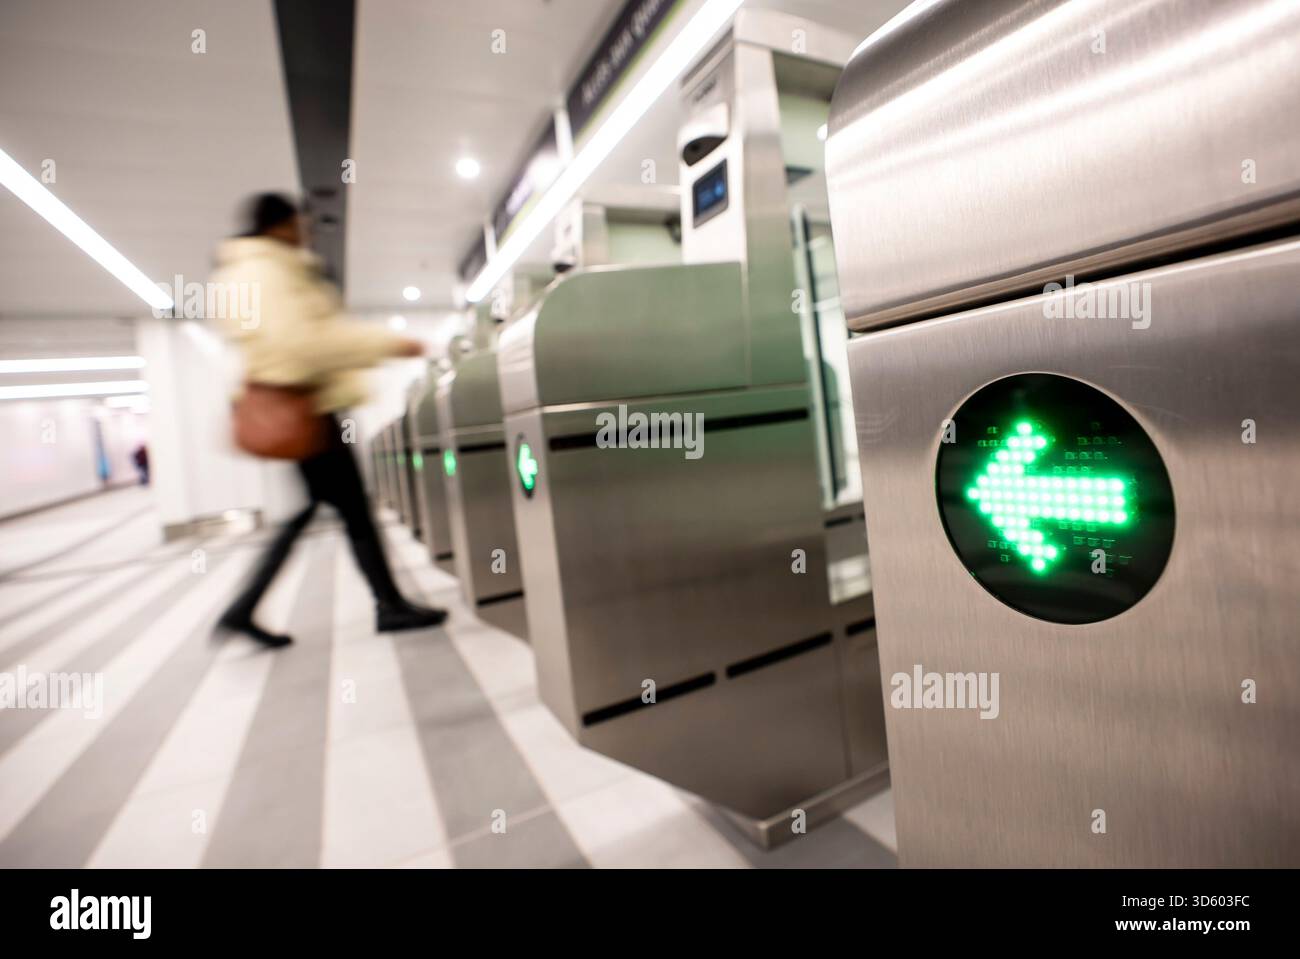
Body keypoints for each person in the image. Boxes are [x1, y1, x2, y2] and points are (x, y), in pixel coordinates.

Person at [212, 193, 446, 647]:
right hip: (308, 408)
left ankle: (243, 608)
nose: (307, 230)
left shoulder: (246, 269)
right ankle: (389, 605)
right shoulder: (269, 271)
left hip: (301, 406)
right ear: (280, 225)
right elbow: (303, 342)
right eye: (300, 222)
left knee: (310, 512)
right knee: (355, 512)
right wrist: (391, 344)